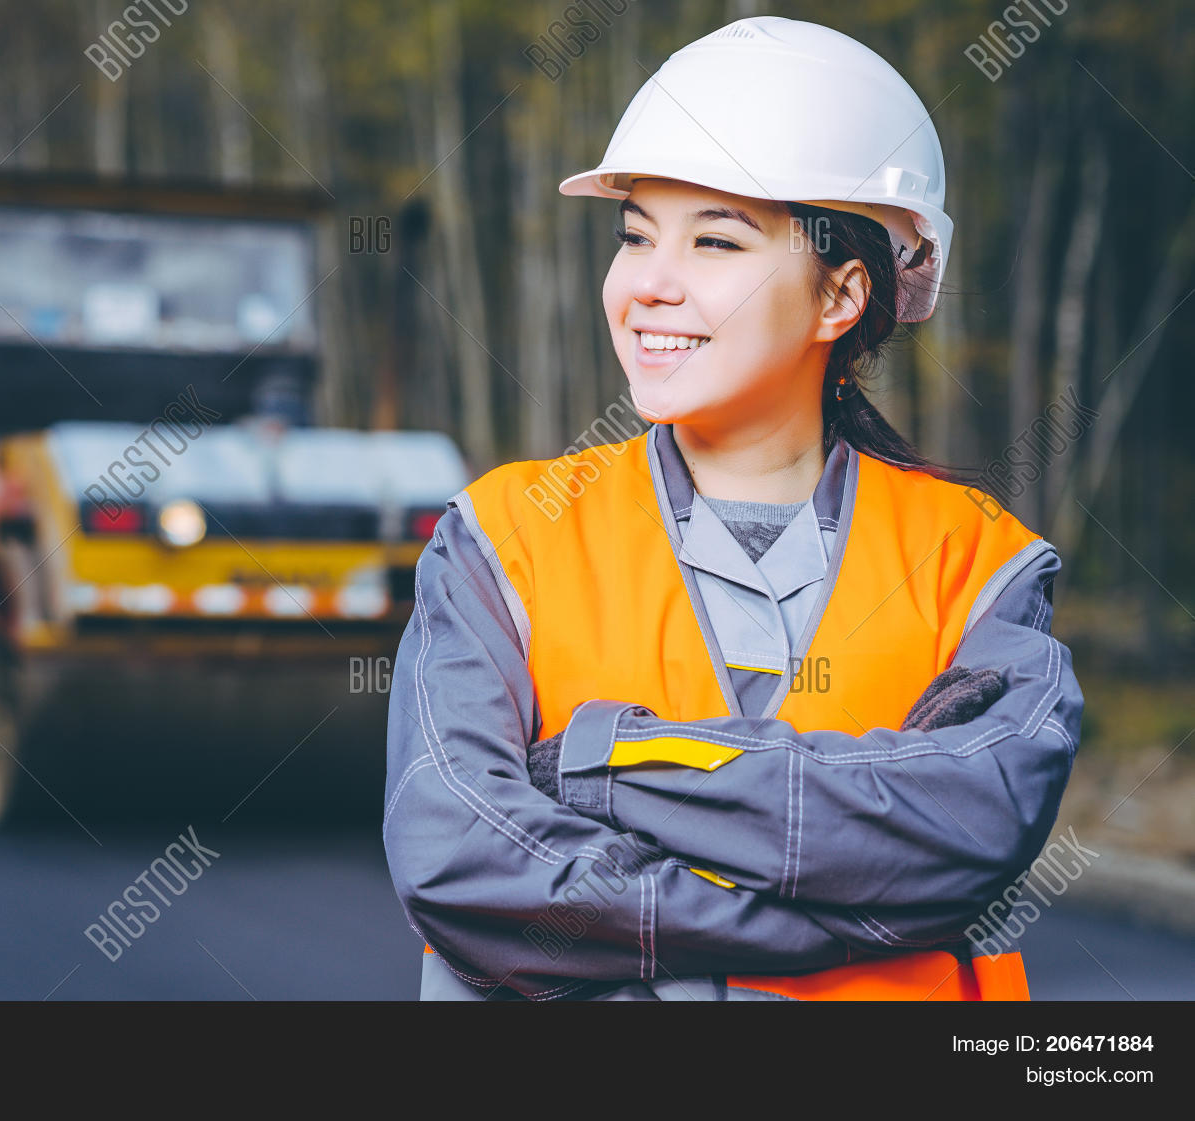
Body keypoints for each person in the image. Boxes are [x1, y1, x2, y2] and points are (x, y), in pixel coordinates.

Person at [381, 15, 1082, 1000]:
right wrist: (826, 919)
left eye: (715, 241)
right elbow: (457, 854)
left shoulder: (975, 566)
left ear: (839, 295)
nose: (648, 286)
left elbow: (976, 818)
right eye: (635, 237)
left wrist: (599, 766)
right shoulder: (504, 538)